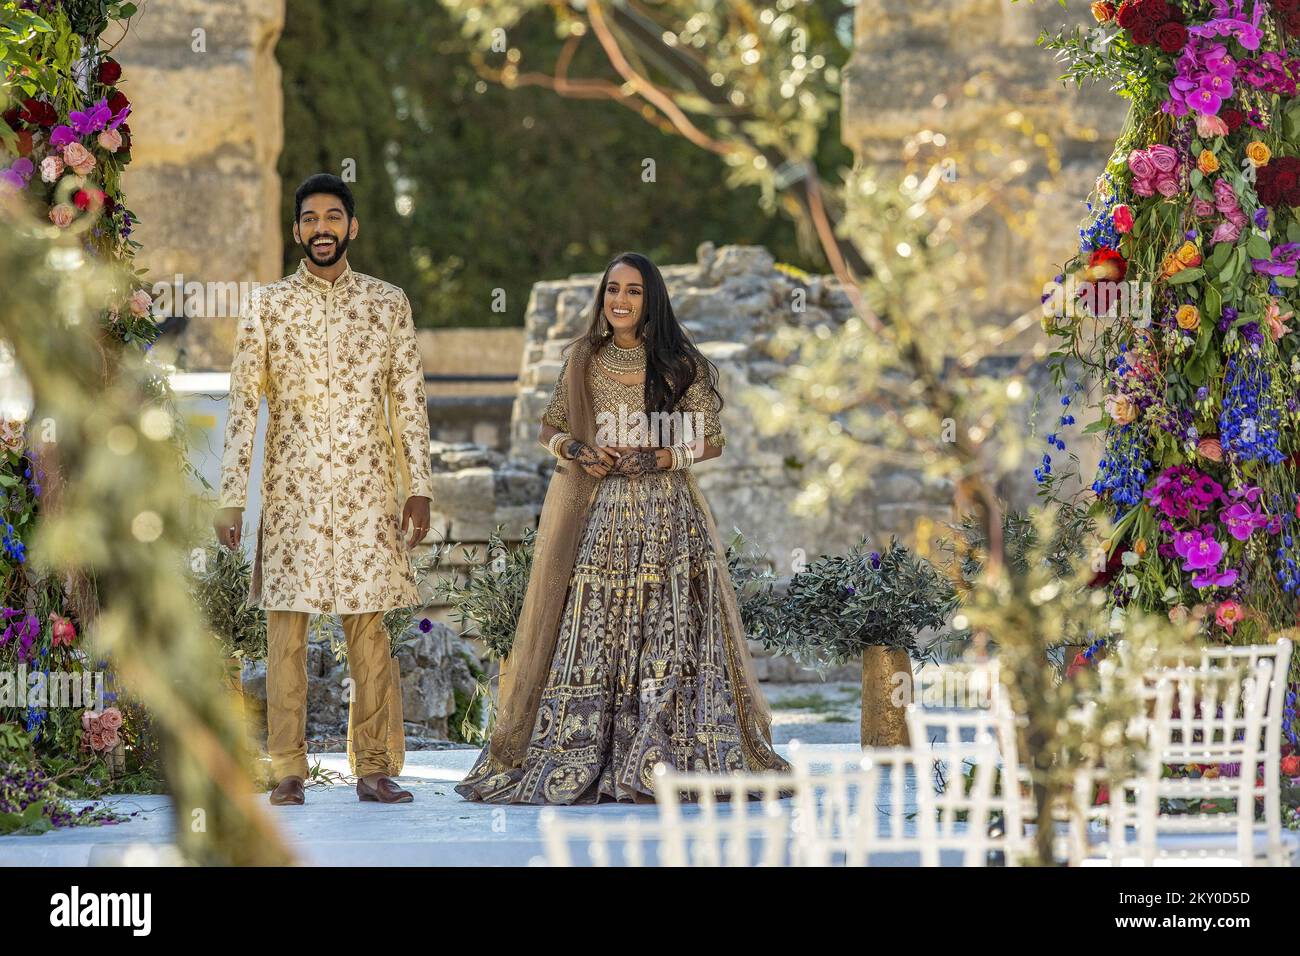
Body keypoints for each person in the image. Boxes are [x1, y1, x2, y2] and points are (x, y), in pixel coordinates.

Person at [456, 252, 787, 804]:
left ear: (650, 298)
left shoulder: (683, 364)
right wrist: (579, 449)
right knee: (596, 627)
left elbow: (711, 441)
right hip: (604, 516)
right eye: (612, 290)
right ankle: (591, 749)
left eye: (633, 291)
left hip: (669, 521)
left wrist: (661, 457)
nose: (620, 301)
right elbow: (549, 428)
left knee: (671, 631)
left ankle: (666, 753)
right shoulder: (584, 360)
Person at [214, 173, 433, 806]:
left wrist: (418, 485)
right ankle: (287, 767)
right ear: (296, 231)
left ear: (352, 227)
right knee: (286, 635)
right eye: (309, 220)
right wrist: (232, 498)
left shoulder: (387, 304)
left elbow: (408, 402)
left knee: (370, 633)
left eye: (332, 218)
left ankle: (373, 767)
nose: (321, 230)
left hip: (367, 495)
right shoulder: (268, 305)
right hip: (293, 498)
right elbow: (241, 408)